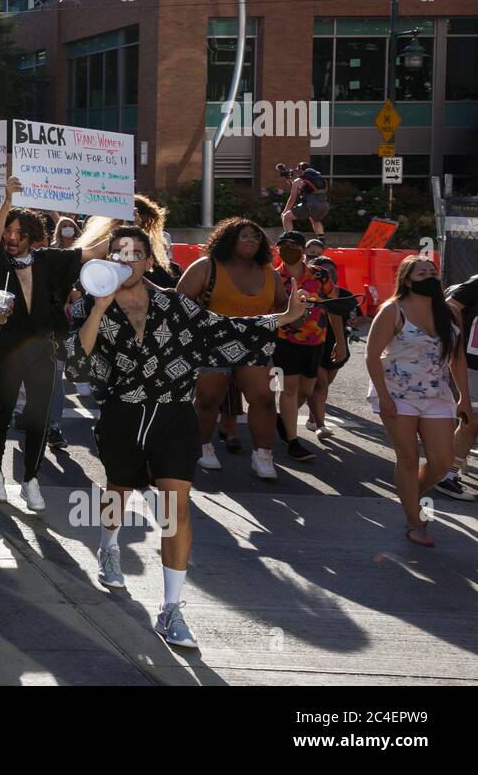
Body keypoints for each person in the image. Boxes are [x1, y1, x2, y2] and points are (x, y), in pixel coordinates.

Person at [67, 226, 310, 648]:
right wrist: (97, 309)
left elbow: (225, 329)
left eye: (136, 253)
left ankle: (171, 609)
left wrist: (284, 318)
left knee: (175, 507)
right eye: (118, 253)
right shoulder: (92, 306)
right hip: (123, 413)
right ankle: (108, 545)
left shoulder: (176, 305)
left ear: (149, 261)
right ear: (107, 261)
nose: (127, 261)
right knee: (118, 488)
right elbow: (78, 363)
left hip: (175, 415)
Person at [0, 176, 105, 508]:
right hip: (8, 344)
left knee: (39, 415)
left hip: (44, 347)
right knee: (2, 412)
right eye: (9, 231)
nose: (11, 238)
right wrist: (7, 200)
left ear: (34, 238)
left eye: (19, 233)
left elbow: (93, 251)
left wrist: (115, 218)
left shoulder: (49, 260)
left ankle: (30, 479)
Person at [366, 256, 469, 546]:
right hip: (398, 395)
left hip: (437, 395)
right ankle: (414, 521)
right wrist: (383, 396)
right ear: (407, 280)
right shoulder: (392, 310)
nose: (429, 275)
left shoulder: (450, 312)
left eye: (432, 271)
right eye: (421, 272)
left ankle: (408, 492)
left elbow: (456, 358)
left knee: (443, 461)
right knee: (409, 458)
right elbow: (372, 355)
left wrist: (463, 397)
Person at [176, 218, 287, 479]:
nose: (250, 241)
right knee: (207, 401)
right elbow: (179, 303)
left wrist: (298, 311)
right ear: (229, 240)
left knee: (265, 399)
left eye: (256, 237)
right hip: (213, 341)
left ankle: (263, 455)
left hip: (257, 343)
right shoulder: (207, 266)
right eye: (244, 236)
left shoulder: (269, 272)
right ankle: (202, 447)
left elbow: (282, 305)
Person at [274, 230, 346, 462]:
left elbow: (333, 308)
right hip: (284, 341)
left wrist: (341, 343)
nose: (288, 249)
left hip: (316, 341)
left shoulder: (320, 275)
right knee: (289, 389)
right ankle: (293, 442)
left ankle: (282, 420)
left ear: (304, 249)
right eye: (283, 245)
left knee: (306, 391)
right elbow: (267, 310)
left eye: (294, 245)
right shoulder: (274, 277)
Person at [305, 256, 362, 444]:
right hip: (313, 344)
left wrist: (355, 321)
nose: (330, 275)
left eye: (333, 271)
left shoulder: (344, 293)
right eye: (325, 271)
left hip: (337, 345)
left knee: (325, 384)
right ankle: (320, 423)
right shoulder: (307, 292)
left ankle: (314, 417)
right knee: (319, 384)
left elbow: (360, 316)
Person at [75, 194, 178, 288]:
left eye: (144, 225)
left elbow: (163, 280)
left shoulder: (144, 247)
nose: (141, 229)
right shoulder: (101, 244)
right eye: (140, 225)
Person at [444, 273, 478, 500]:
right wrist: (458, 338)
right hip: (473, 362)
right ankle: (446, 475)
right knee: (471, 419)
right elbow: (450, 305)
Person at [281, 165, 329, 237]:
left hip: (311, 205)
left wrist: (285, 211)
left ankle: (290, 240)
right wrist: (292, 183)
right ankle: (322, 242)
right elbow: (309, 191)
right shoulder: (320, 179)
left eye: (298, 171)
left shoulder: (299, 180)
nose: (297, 174)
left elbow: (292, 198)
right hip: (325, 206)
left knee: (286, 217)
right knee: (315, 220)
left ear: (301, 171)